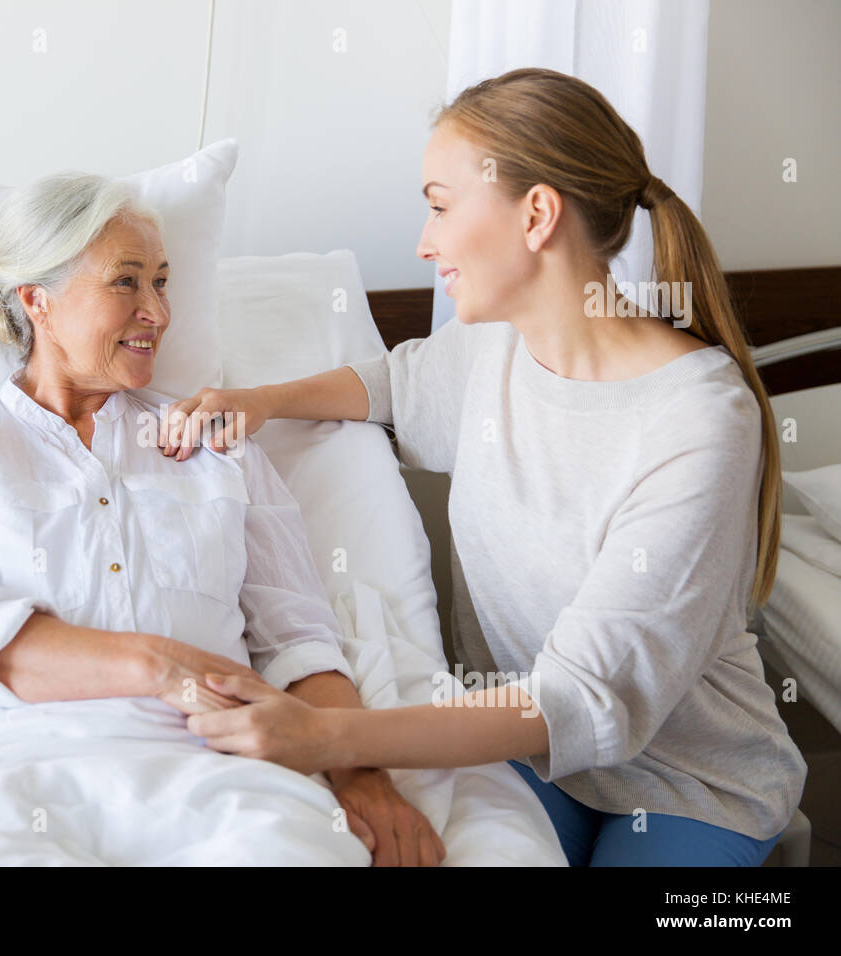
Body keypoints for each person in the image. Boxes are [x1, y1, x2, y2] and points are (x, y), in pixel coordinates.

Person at [158, 67, 807, 867]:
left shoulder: (699, 423)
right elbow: (395, 384)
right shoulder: (497, 341)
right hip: (535, 761)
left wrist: (326, 735)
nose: (425, 240)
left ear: (537, 215)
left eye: (439, 204)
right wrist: (261, 398)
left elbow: (582, 697)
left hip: (689, 785)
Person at [0, 171, 446, 866]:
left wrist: (363, 775)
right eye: (127, 282)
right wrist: (158, 666)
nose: (159, 312)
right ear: (38, 302)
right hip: (3, 763)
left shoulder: (220, 449)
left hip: (215, 769)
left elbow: (300, 640)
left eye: (163, 283)